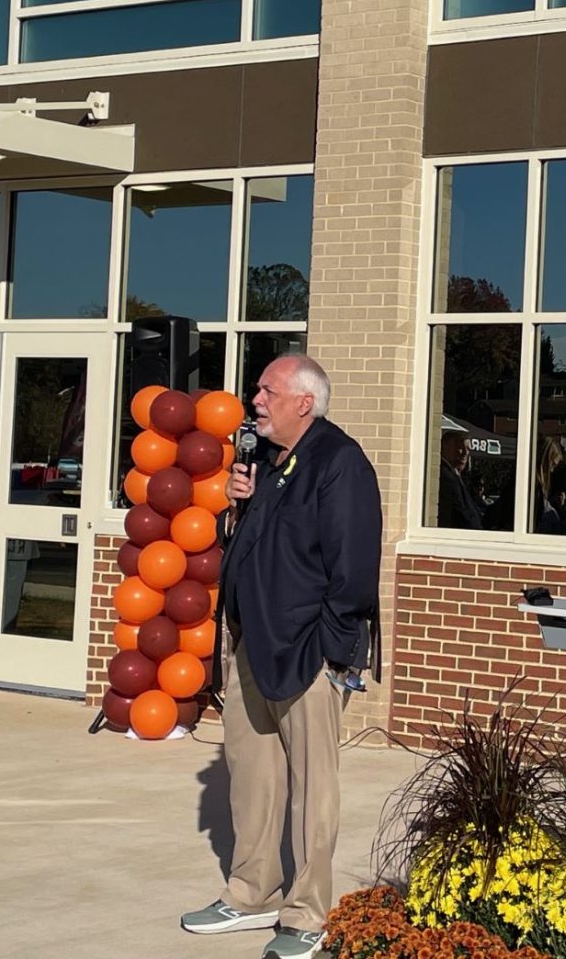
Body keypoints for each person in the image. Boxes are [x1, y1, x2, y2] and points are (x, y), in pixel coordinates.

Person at [180, 354, 382, 959]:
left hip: (305, 653)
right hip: (250, 645)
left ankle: (307, 911)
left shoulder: (339, 463)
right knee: (252, 776)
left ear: (304, 401)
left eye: (268, 390)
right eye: (258, 390)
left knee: (311, 786)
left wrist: (330, 650)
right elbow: (250, 549)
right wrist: (236, 507)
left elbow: (352, 573)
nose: (256, 399)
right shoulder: (267, 463)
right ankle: (250, 891)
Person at [436, 429, 482, 530]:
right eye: (460, 448)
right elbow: (459, 513)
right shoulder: (445, 477)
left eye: (468, 449)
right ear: (445, 447)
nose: (465, 453)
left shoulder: (457, 476)